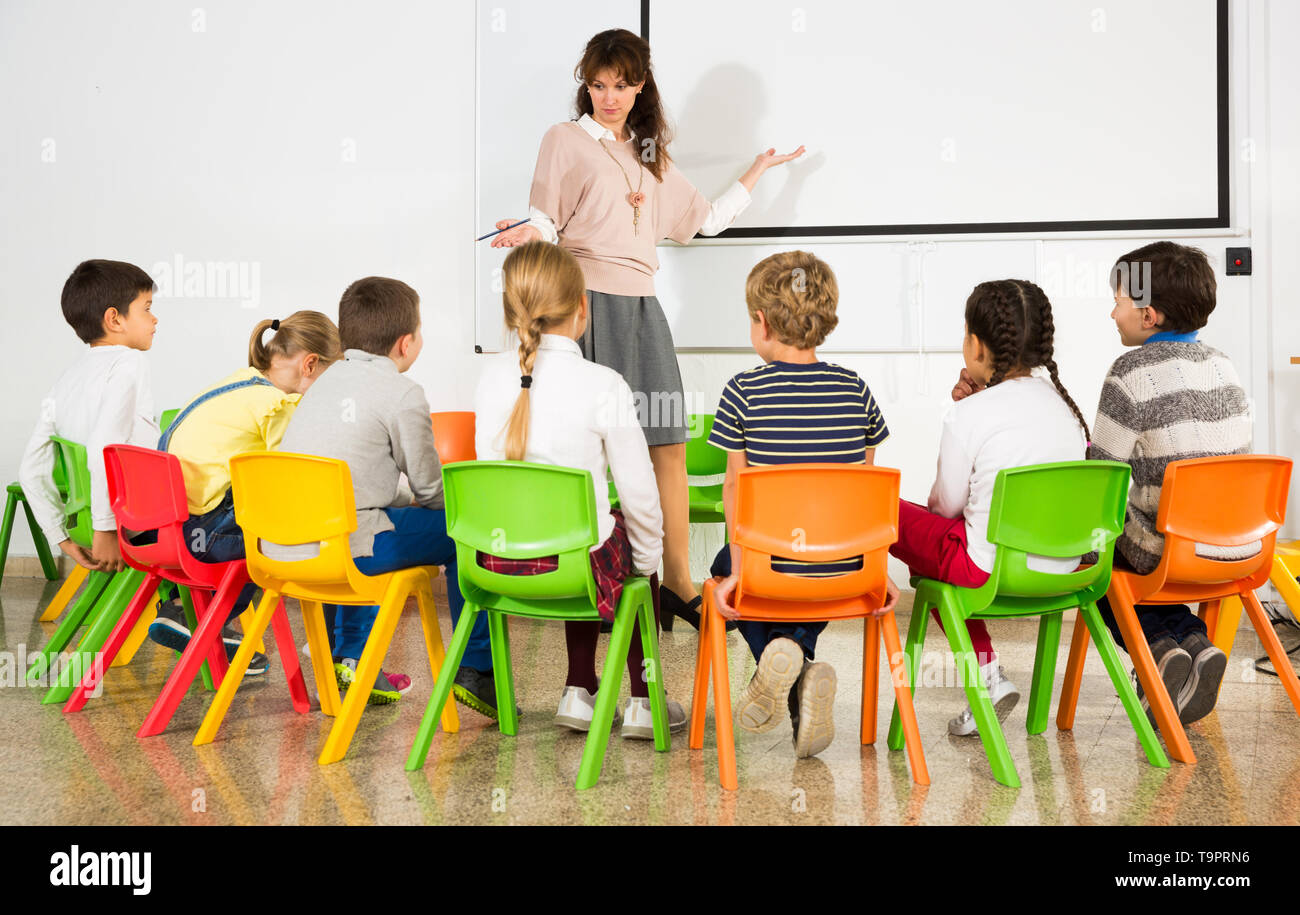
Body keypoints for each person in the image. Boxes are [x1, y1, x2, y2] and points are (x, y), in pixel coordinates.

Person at [492, 28, 805, 630]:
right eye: (599, 84)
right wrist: (532, 233)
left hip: (641, 308)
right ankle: (593, 576)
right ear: (586, 84)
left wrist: (758, 170)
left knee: (665, 442)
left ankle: (675, 581)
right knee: (590, 446)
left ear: (641, 87)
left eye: (623, 84)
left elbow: (705, 222)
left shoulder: (648, 156)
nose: (609, 96)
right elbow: (544, 220)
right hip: (581, 304)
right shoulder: (563, 139)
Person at [475, 241, 685, 738]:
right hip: (576, 568)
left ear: (510, 310)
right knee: (623, 535)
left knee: (592, 527)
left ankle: (578, 689)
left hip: (497, 566)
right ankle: (642, 698)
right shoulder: (603, 383)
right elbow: (641, 497)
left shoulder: (488, 378)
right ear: (583, 306)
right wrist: (650, 564)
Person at [709, 251, 896, 758]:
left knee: (725, 568)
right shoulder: (856, 390)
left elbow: (735, 491)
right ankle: (801, 667)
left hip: (772, 567)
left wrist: (740, 569)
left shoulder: (741, 392)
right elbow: (863, 493)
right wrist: (878, 571)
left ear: (762, 322)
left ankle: (783, 656)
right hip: (846, 570)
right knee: (816, 568)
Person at [277, 278, 494, 709]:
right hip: (348, 549)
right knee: (465, 532)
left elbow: (354, 476)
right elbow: (430, 491)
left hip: (287, 548)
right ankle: (476, 669)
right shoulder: (402, 393)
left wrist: (399, 498)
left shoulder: (324, 380)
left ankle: (353, 656)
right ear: (407, 342)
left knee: (367, 519)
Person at [890, 279, 1091, 737]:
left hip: (988, 570)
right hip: (1064, 569)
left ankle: (986, 673)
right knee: (949, 554)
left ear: (977, 346)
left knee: (887, 513)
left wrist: (968, 412)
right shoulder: (1065, 409)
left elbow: (944, 506)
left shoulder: (968, 414)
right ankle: (987, 676)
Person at [1090, 242, 1245, 725]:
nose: (1112, 312)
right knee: (1150, 534)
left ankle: (1159, 649)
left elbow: (1102, 477)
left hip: (1167, 553)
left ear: (1149, 314)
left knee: (1093, 562)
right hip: (1234, 550)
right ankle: (1193, 641)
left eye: (1118, 300)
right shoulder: (1225, 367)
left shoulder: (1128, 373)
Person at [146, 311, 342, 676]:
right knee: (277, 534)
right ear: (311, 364)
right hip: (202, 536)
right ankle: (198, 618)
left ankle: (199, 619)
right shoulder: (278, 405)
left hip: (165, 528)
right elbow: (292, 476)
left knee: (262, 512)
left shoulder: (240, 382)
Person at [19, 259, 159, 575]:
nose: (154, 318)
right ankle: (177, 609)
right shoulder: (128, 363)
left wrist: (63, 538)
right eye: (146, 308)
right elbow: (103, 448)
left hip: (84, 525)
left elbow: (31, 468)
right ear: (115, 319)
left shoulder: (66, 379)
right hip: (136, 523)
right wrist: (106, 529)